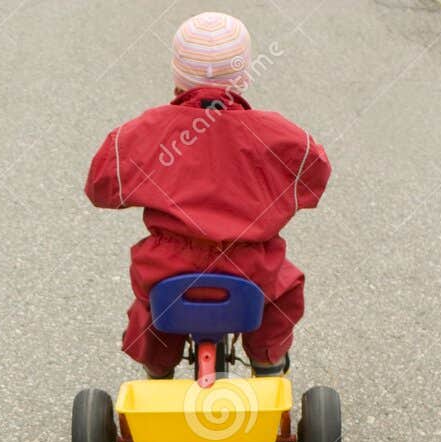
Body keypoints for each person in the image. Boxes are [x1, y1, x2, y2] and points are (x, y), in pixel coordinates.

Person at [85, 11, 331, 378]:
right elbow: (315, 172)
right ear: (245, 77)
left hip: (170, 266)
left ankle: (158, 372)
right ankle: (267, 362)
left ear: (177, 79)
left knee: (150, 307)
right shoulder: (277, 135)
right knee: (283, 294)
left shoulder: (144, 132)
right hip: (249, 268)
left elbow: (100, 187)